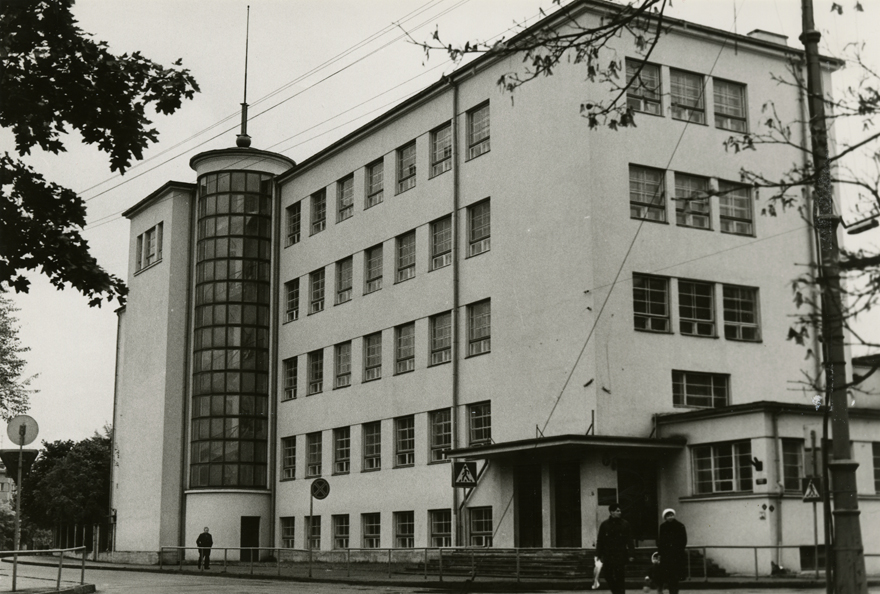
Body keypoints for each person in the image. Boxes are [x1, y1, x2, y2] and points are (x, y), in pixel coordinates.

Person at [596, 503, 634, 594]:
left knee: (620, 577)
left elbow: (630, 540)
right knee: (607, 575)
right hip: (608, 555)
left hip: (620, 554)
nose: (620, 512)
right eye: (617, 511)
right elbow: (600, 540)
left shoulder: (625, 524)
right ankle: (616, 592)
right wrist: (598, 554)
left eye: (620, 510)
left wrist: (631, 554)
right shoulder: (605, 525)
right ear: (611, 512)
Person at [657, 509, 687, 594]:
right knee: (668, 575)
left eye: (671, 515)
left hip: (677, 555)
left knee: (675, 576)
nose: (670, 517)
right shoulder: (663, 527)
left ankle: (674, 591)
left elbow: (683, 540)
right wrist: (660, 553)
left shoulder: (680, 526)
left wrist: (678, 550)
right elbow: (661, 541)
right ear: (665, 517)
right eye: (668, 516)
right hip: (666, 556)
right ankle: (669, 590)